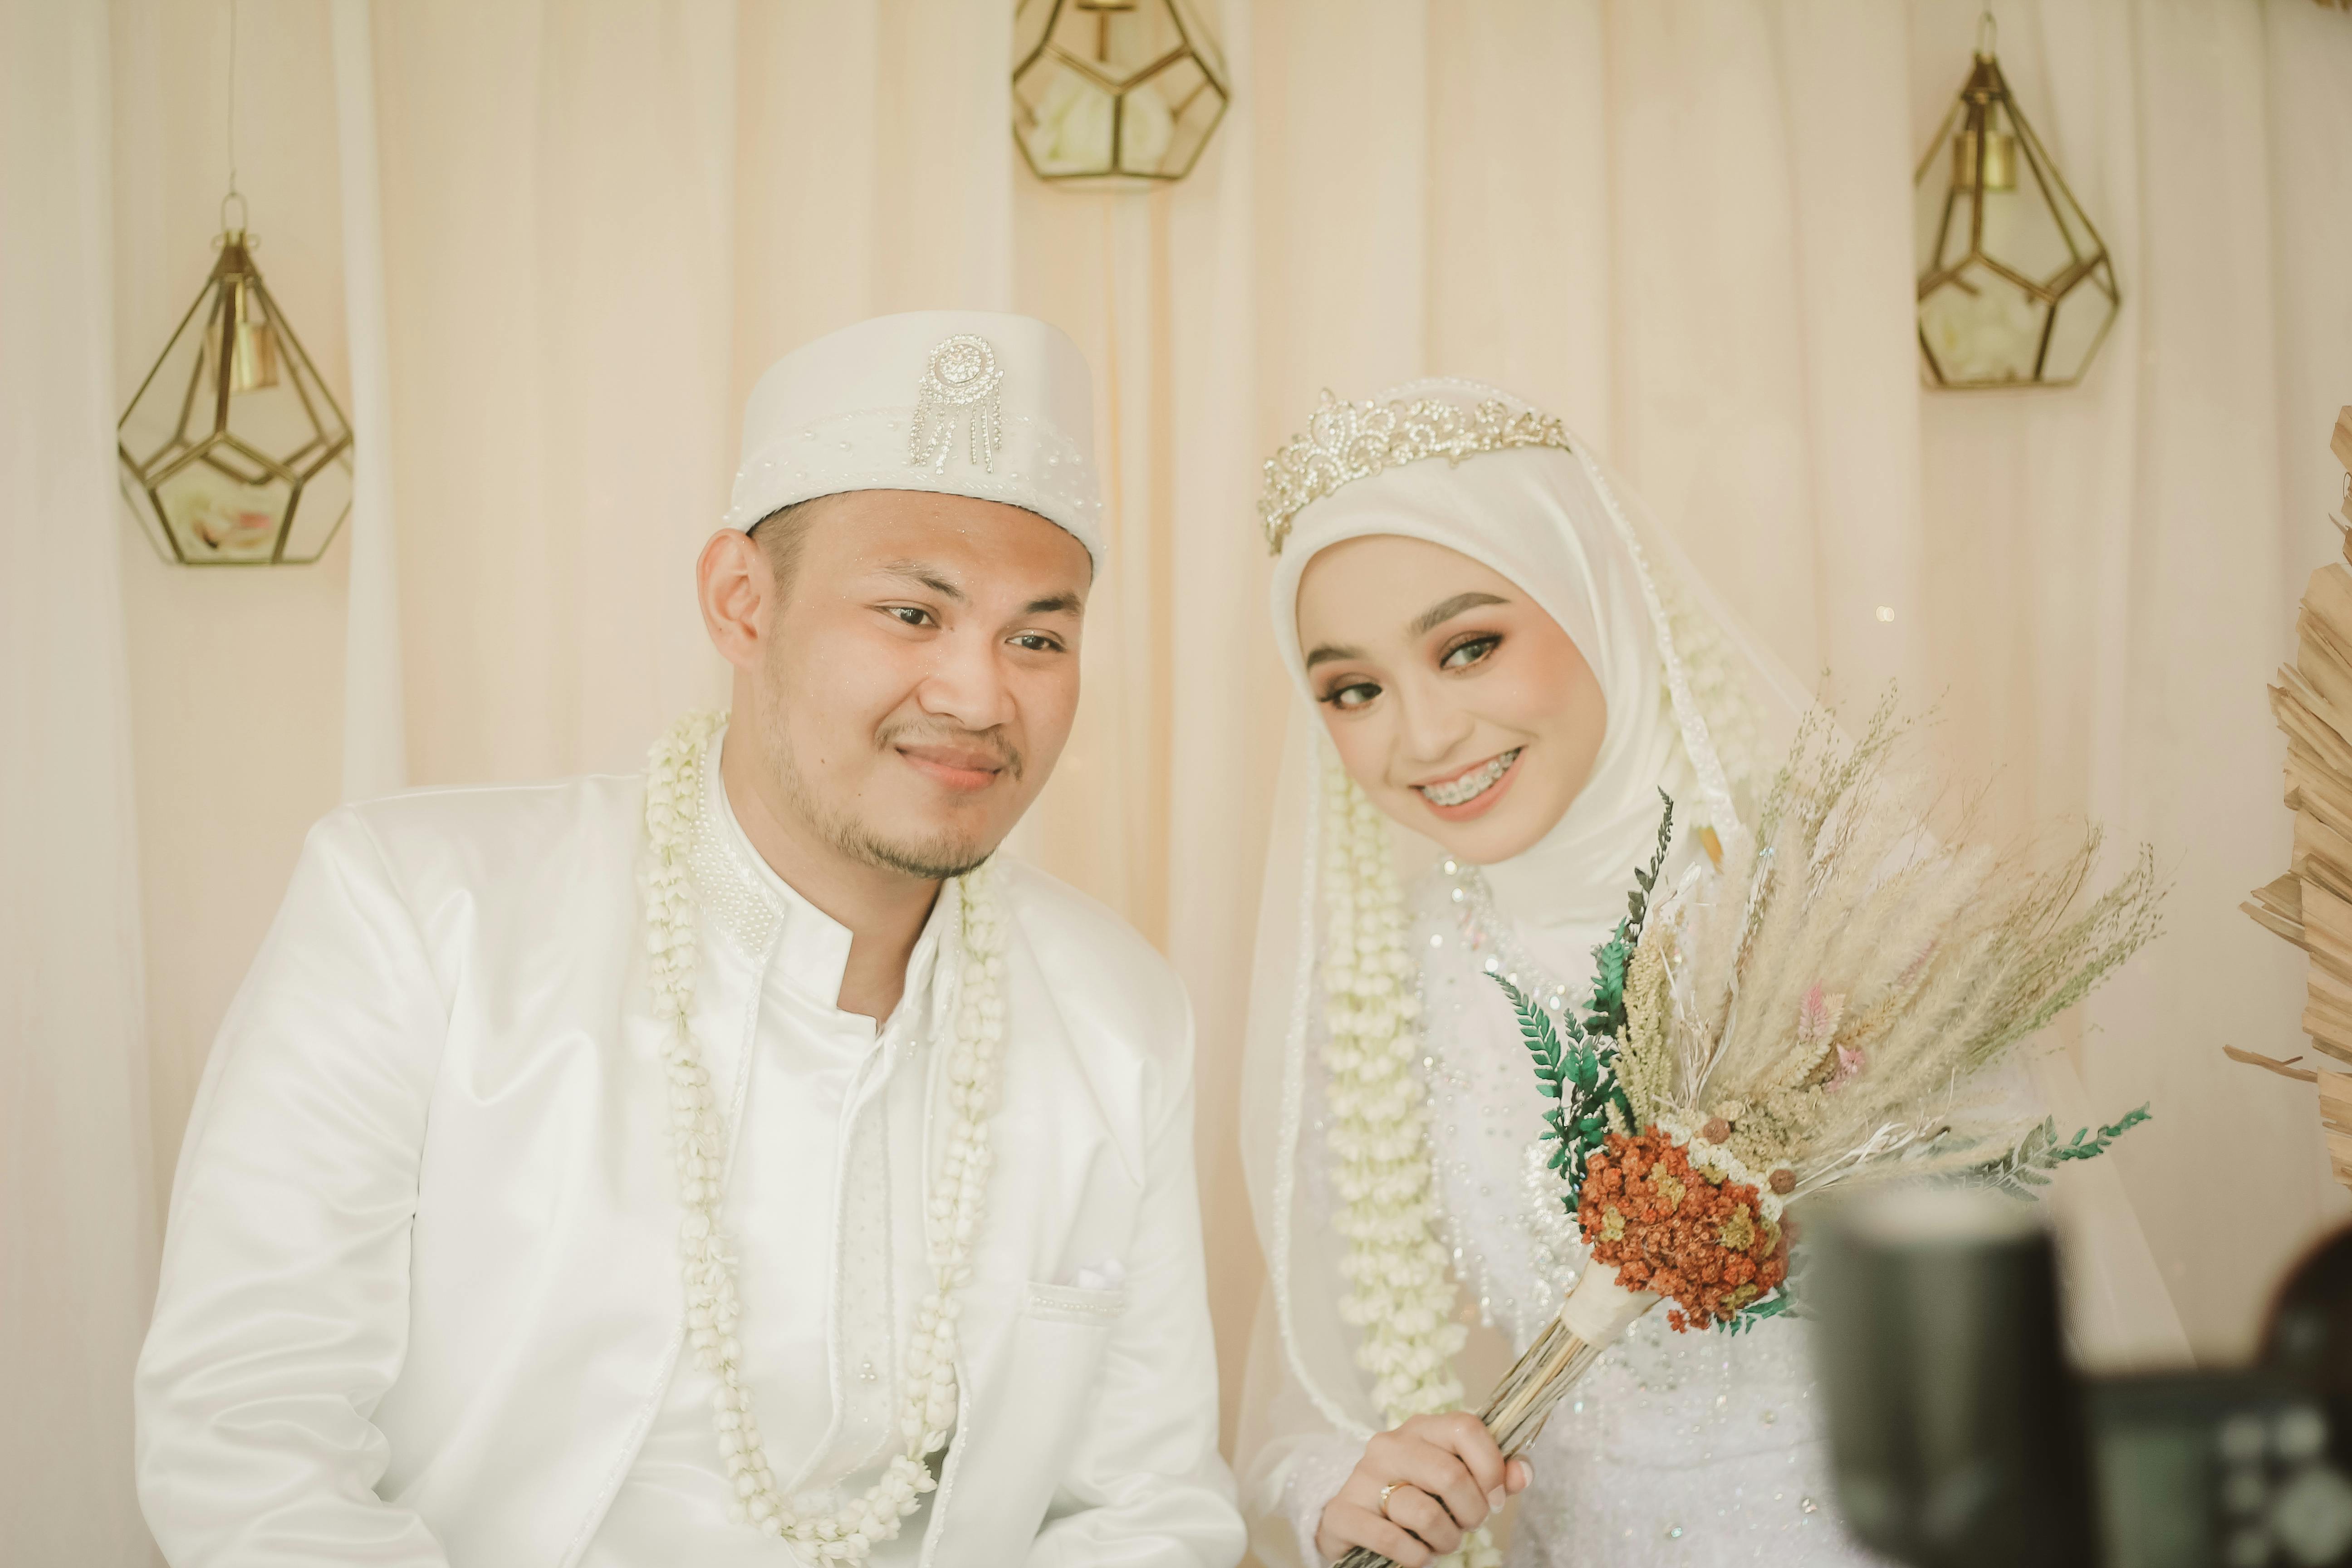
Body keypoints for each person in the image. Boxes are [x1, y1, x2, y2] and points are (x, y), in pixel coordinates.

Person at [135, 311, 1245, 1568]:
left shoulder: (1120, 1013)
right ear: (740, 601)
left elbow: (1149, 1505)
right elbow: (247, 1432)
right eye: (912, 614)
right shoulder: (423, 910)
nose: (980, 696)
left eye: (1037, 638)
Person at [1235, 379, 1873, 1567]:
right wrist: (1351, 1484)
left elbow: (2034, 1317)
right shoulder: (1387, 985)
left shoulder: (1832, 915)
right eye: (1355, 690)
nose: (1422, 737)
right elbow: (1306, 1406)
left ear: (1599, 603)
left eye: (1469, 647)